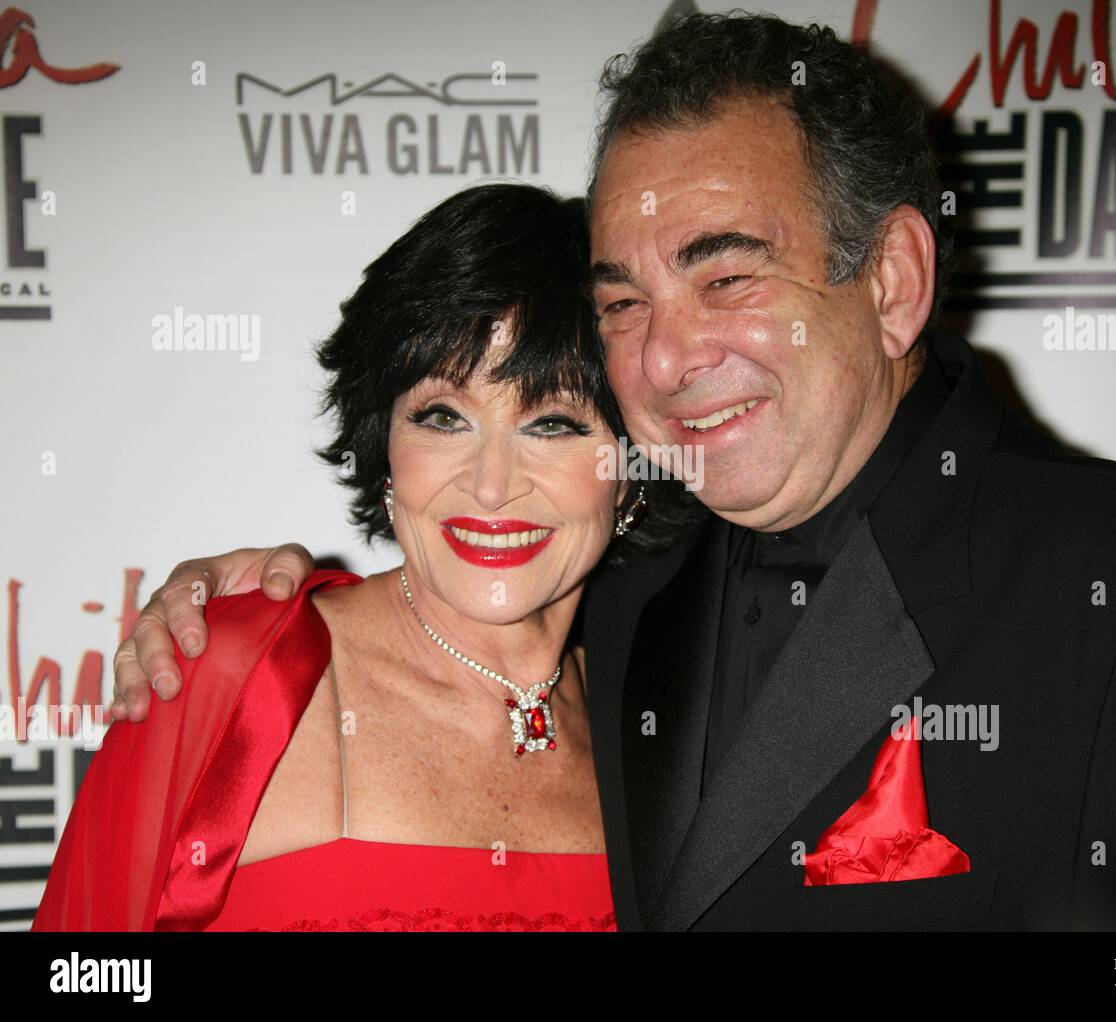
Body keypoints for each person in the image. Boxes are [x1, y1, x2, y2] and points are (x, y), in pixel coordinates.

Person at [106, 13, 1116, 930]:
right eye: (624, 301)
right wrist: (245, 606)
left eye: (727, 277)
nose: (669, 356)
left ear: (890, 282)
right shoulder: (622, 592)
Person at [34, 182, 692, 931]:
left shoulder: (663, 721)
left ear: (632, 470)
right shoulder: (228, 671)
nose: (491, 484)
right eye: (444, 417)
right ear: (386, 450)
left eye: (553, 424)